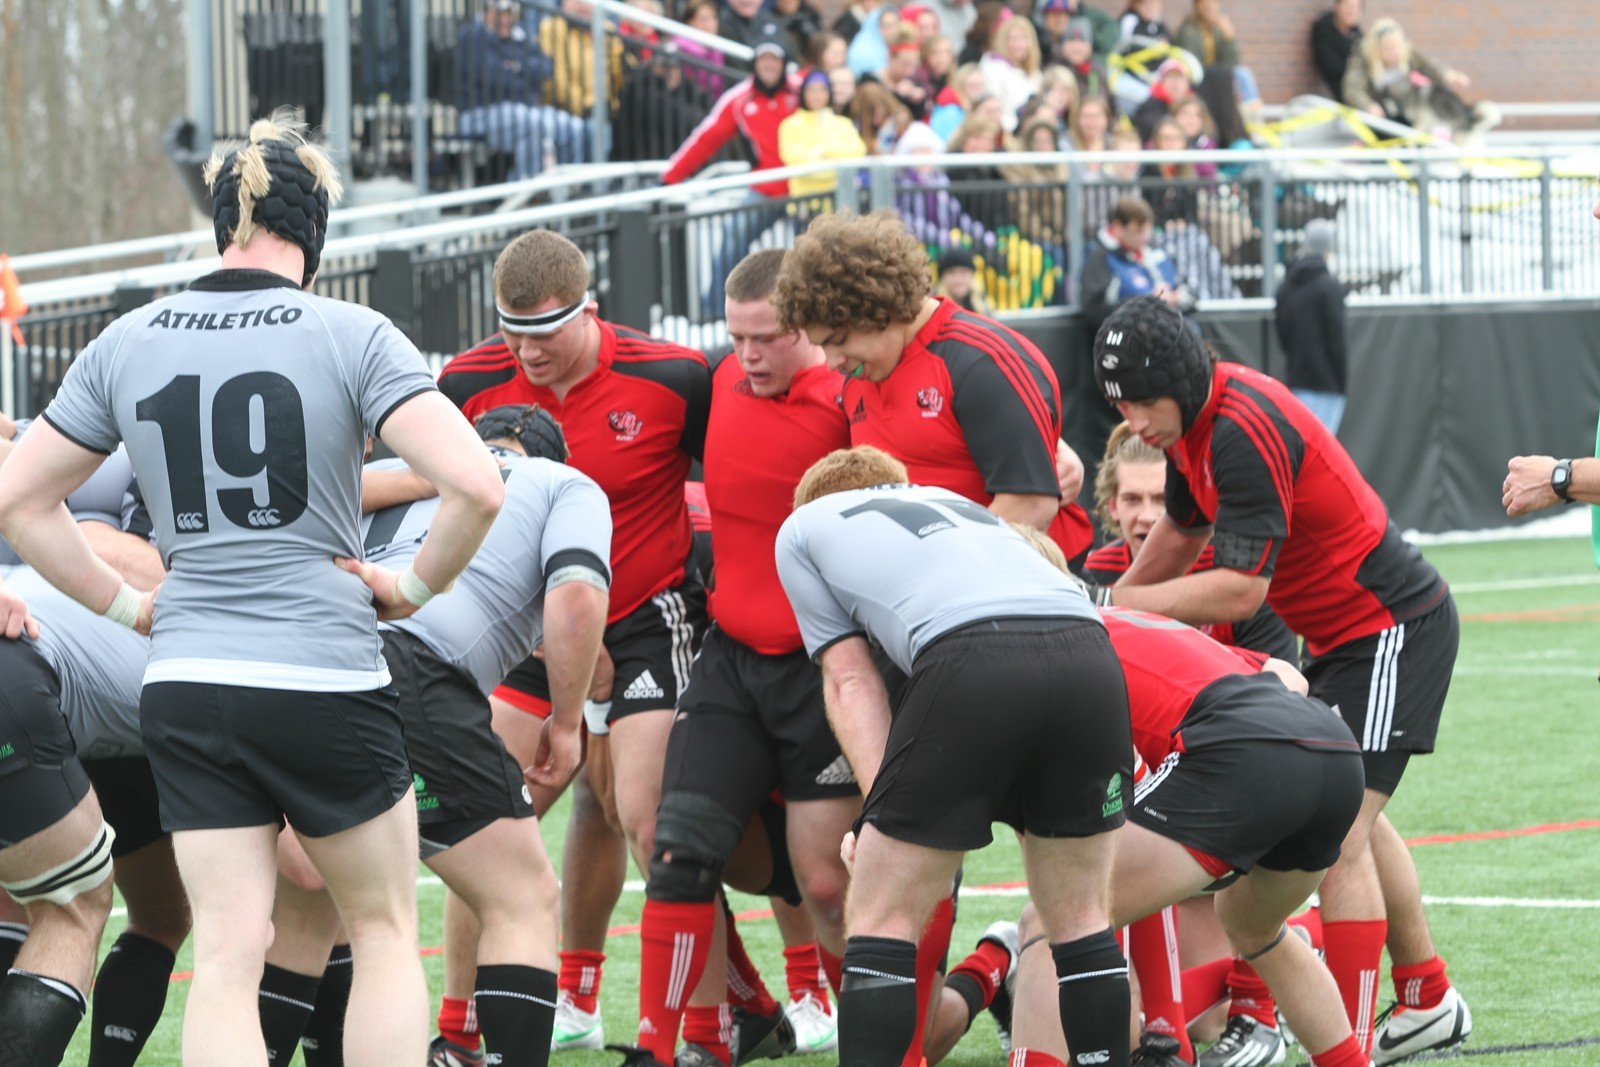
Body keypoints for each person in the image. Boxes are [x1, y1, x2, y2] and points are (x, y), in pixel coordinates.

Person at [0, 111, 507, 1067]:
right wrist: (410, 585)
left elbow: (19, 500)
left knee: (231, 953)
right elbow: (478, 482)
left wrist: (127, 609)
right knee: (388, 930)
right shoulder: (353, 330)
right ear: (312, 234)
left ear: (221, 227)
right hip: (322, 669)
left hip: (186, 673)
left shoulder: (129, 335)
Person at [1091, 296, 1473, 1063]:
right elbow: (1183, 529)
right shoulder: (1196, 423)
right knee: (1342, 821)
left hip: (1390, 629)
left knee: (1337, 839)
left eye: (1140, 400)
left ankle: (1352, 1038)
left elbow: (1240, 590)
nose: (1132, 420)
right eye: (1119, 405)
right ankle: (1425, 992)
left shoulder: (1237, 426)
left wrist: (1116, 603)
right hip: (1343, 639)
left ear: (1181, 378)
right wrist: (1107, 602)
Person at [263, 407, 610, 1067]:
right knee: (521, 899)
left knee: (311, 897)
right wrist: (566, 723)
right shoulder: (562, 482)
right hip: (408, 664)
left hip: (291, 668)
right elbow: (576, 595)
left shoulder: (384, 473)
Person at [436, 228, 711, 1056]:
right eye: (511, 329)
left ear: (589, 309)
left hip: (644, 616)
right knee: (478, 820)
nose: (526, 350)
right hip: (526, 624)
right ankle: (460, 1031)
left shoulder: (674, 376)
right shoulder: (467, 382)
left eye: (545, 330)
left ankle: (702, 1028)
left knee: (648, 811)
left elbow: (731, 485)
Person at [775, 445, 1134, 1067]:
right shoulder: (957, 506)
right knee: (1080, 921)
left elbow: (851, 682)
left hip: (973, 656)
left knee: (881, 916)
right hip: (1091, 653)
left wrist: (877, 810)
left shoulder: (802, 529)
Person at [1004, 530, 1371, 1067]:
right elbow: (1289, 675)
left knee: (1051, 919)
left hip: (1247, 753)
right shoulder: (1135, 623)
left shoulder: (1048, 644)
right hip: (1333, 751)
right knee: (1252, 926)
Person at [622, 249, 855, 1067]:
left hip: (825, 669)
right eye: (736, 336)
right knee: (675, 845)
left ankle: (878, 1036)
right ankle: (670, 1045)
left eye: (766, 338)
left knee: (826, 883)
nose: (748, 355)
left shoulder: (851, 401)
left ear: (810, 329)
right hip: (730, 658)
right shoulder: (716, 382)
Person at [772, 210, 1095, 561]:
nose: (832, 360)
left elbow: (1030, 505)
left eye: (840, 339)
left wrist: (929, 578)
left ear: (882, 308)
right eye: (822, 345)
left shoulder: (980, 362)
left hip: (1026, 586)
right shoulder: (856, 377)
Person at [1085, 422, 1297, 662]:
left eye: (1162, 499)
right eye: (1132, 499)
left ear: (1187, 502)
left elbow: (1284, 681)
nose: (1147, 516)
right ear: (1113, 507)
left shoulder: (1236, 574)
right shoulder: (1094, 574)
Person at [663, 26, 801, 317]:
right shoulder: (739, 98)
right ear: (754, 63)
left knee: (818, 250)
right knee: (732, 237)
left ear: (783, 62)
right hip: (765, 188)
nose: (769, 65)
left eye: (774, 59)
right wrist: (670, 177)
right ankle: (713, 312)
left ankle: (817, 308)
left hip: (808, 188)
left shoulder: (803, 90)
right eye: (763, 59)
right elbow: (706, 138)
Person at [457, 0, 591, 178]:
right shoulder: (471, 35)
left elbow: (546, 67)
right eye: (500, 13)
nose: (505, 19)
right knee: (532, 123)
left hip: (526, 109)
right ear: (488, 13)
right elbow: (492, 78)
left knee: (574, 127)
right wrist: (520, 71)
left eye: (509, 13)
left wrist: (513, 67)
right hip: (479, 113)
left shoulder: (521, 33)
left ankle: (566, 187)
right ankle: (525, 191)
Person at [1341, 18, 1496, 143]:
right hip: (1380, 116)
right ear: (1376, 48)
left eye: (1395, 47)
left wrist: (1448, 75)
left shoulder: (1407, 53)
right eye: (1387, 48)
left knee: (1416, 134)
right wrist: (1368, 105)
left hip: (1405, 112)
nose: (1392, 52)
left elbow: (1428, 65)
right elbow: (1352, 88)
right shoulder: (1363, 60)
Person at [1274, 218, 1348, 434]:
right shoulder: (1330, 287)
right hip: (1327, 386)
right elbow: (1337, 340)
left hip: (1296, 381)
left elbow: (1282, 336)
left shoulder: (1285, 288)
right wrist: (1340, 384)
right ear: (1328, 249)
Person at [779, 68, 870, 207]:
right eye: (812, 90)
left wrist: (825, 152)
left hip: (840, 204)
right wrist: (838, 168)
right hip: (805, 206)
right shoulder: (790, 125)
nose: (817, 95)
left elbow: (859, 151)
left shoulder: (843, 123)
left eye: (822, 90)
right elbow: (795, 159)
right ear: (803, 93)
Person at [979, 15, 1043, 132]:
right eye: (1013, 39)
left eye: (1024, 38)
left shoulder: (1035, 74)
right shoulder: (993, 68)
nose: (1019, 44)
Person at [1311, 0, 1362, 103]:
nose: (1351, 11)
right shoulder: (1324, 30)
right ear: (1336, 6)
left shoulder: (1359, 37)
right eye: (1348, 5)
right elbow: (1332, 67)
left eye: (1356, 7)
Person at [933, 246, 992, 314]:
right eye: (951, 272)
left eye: (963, 272)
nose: (957, 279)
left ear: (972, 275)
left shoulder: (983, 307)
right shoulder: (933, 309)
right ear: (942, 277)